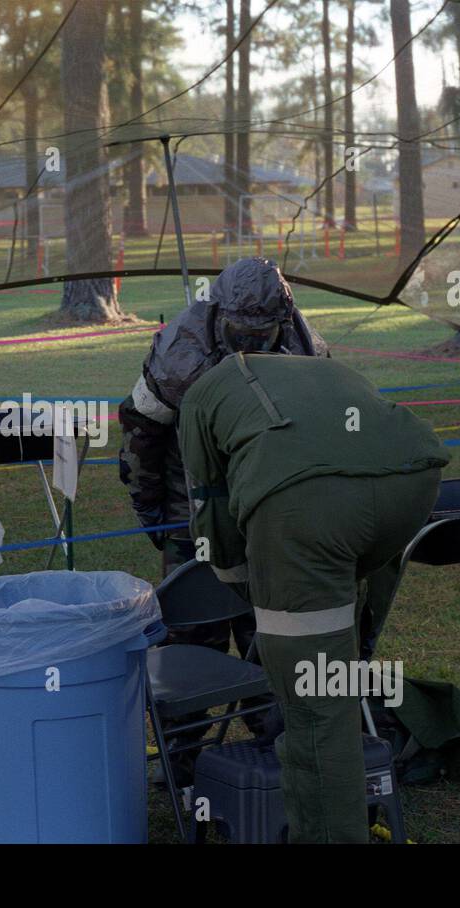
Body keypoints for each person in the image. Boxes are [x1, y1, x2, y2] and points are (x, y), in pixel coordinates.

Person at [179, 350, 448, 843]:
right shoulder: (319, 366)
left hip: (306, 504)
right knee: (338, 650)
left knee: (314, 710)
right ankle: (354, 656)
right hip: (415, 477)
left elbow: (212, 511)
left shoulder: (199, 397)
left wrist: (250, 588)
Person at [118, 257, 326, 777]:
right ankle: (181, 757)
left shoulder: (305, 346)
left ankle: (277, 751)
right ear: (218, 316)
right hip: (192, 507)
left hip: (270, 511)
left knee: (275, 629)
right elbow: (141, 432)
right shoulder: (179, 356)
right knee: (192, 632)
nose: (252, 344)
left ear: (285, 315)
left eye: (264, 331)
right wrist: (148, 505)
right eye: (240, 332)